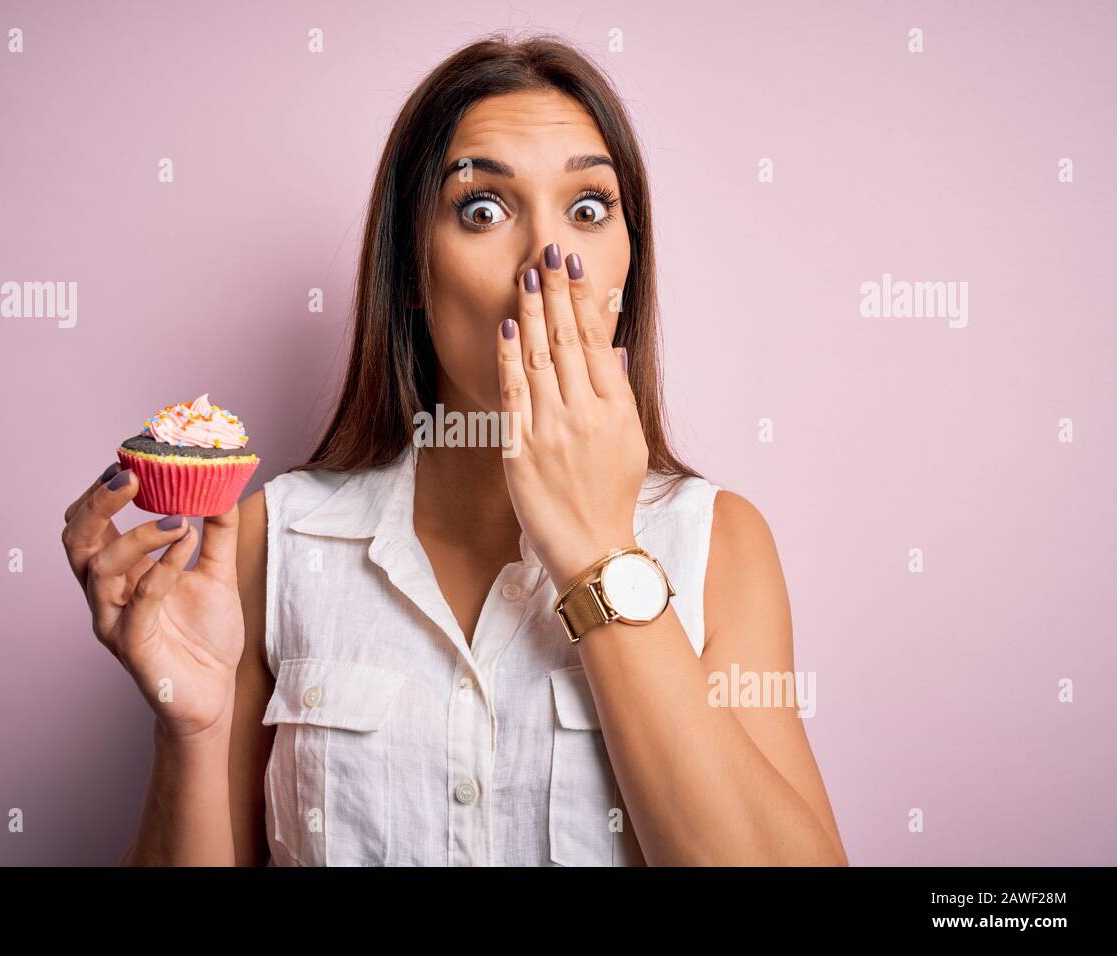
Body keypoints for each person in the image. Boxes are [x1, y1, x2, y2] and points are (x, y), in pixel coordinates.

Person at [61, 33, 848, 866]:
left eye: (589, 208)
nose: (553, 264)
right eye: (483, 209)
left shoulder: (719, 543)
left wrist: (597, 553)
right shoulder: (274, 540)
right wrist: (194, 728)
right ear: (410, 273)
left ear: (628, 262)